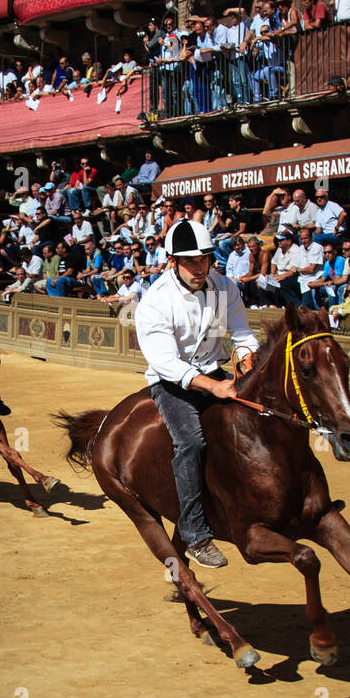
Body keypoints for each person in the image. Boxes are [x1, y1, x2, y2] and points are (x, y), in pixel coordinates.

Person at [134, 219, 260, 569]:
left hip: (215, 370)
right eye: (189, 261)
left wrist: (247, 357)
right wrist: (215, 386)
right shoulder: (155, 302)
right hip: (171, 382)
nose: (198, 267)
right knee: (192, 442)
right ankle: (195, 535)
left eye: (203, 259)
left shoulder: (224, 286)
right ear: (172, 261)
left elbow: (242, 333)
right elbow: (167, 364)